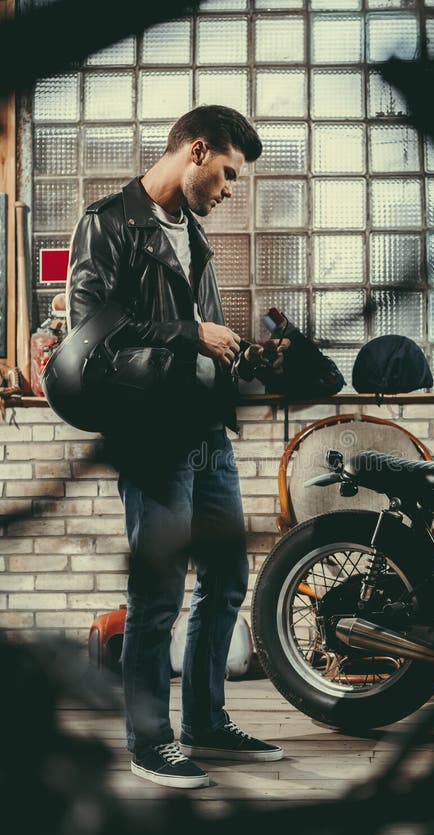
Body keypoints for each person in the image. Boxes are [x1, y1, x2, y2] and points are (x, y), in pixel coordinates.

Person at [66, 105, 287, 788]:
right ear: (196, 151)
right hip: (150, 434)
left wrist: (250, 360)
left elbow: (206, 341)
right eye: (225, 174)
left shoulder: (192, 235)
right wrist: (187, 332)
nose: (227, 190)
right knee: (158, 591)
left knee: (225, 580)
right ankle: (148, 740)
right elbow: (88, 331)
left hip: (205, 434)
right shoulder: (107, 224)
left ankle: (205, 721)